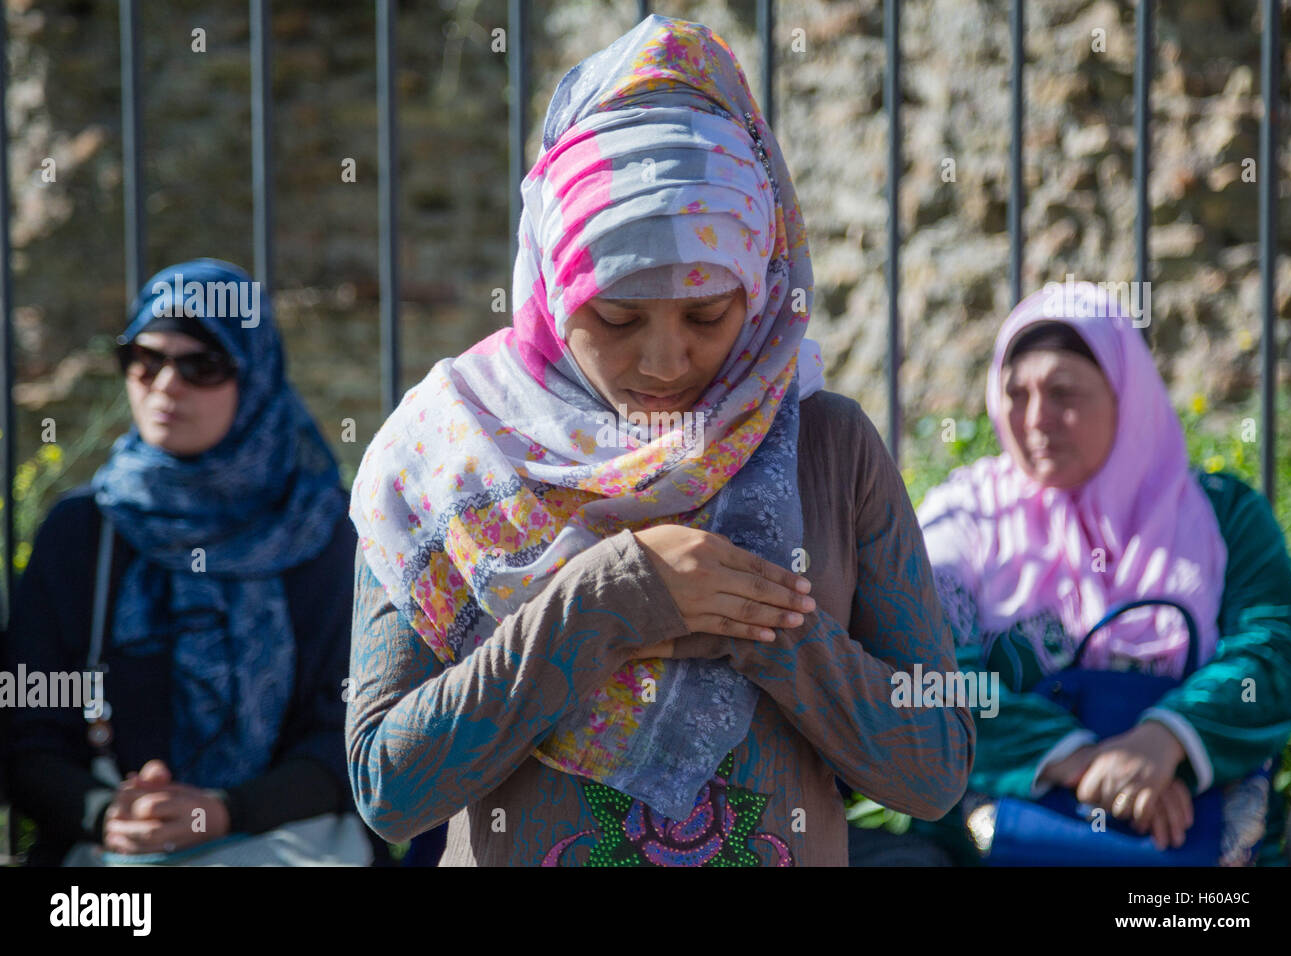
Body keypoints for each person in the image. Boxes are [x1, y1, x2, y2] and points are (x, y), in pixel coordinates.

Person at [346, 14, 974, 867]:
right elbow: (389, 790)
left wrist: (765, 628)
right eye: (617, 315)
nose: (666, 359)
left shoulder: (830, 449)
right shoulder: (448, 456)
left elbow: (934, 768)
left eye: (709, 314)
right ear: (553, 286)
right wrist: (605, 599)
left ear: (760, 288)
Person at [903, 281, 1291, 866]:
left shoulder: (1223, 517)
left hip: (1196, 842)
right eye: (1016, 393)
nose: (1036, 418)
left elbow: (1275, 648)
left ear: (1126, 396)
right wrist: (1078, 760)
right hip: (991, 846)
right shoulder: (965, 518)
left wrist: (1167, 739)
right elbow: (921, 664)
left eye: (1063, 392)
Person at [3, 258, 374, 865]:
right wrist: (107, 814)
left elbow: (352, 734)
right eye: (144, 359)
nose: (165, 385)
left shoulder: (323, 531)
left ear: (254, 378)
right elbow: (26, 729)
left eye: (201, 366)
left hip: (286, 844)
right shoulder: (85, 531)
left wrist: (222, 811)